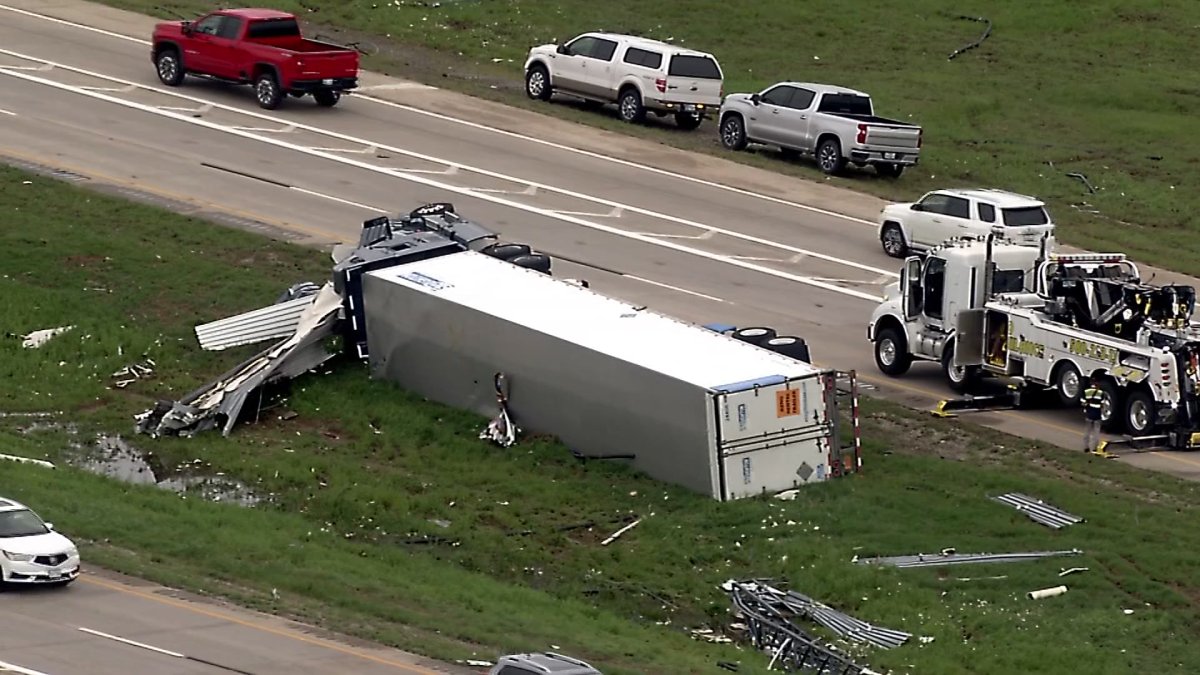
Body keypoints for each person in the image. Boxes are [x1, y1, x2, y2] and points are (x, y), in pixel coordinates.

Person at [1081, 377, 1105, 453]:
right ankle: (1095, 448)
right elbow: (1103, 403)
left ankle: (1086, 447)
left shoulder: (1086, 391)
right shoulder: (1101, 392)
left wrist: (1087, 406)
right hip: (1097, 414)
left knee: (1087, 431)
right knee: (1096, 432)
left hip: (1089, 413)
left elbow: (1082, 402)